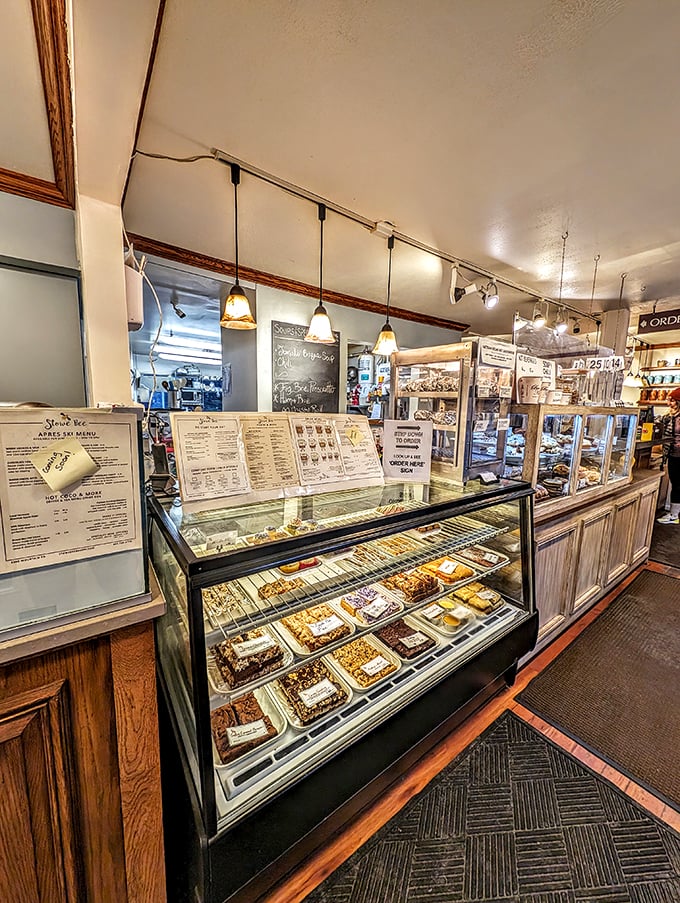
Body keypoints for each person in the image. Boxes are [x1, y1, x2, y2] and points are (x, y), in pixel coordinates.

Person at [658, 386, 680, 524]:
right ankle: (674, 513)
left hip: (678, 455)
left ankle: (673, 515)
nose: (669, 403)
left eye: (672, 400)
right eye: (668, 400)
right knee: (676, 483)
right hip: (671, 454)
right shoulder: (669, 415)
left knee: (677, 484)